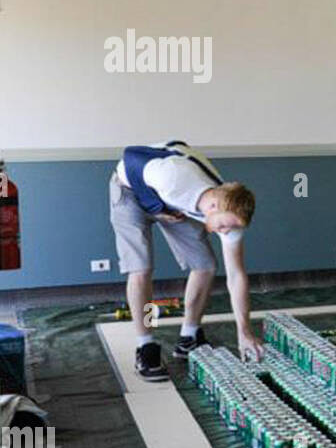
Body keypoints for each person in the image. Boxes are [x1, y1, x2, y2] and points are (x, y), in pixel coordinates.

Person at [109, 141, 259, 381]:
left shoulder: (231, 218)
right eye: (222, 225)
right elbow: (131, 156)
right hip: (131, 191)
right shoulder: (174, 179)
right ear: (212, 206)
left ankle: (189, 336)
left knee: (206, 266)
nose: (224, 232)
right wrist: (154, 206)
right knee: (142, 269)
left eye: (230, 228)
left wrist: (244, 331)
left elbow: (236, 276)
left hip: (174, 206)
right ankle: (145, 346)